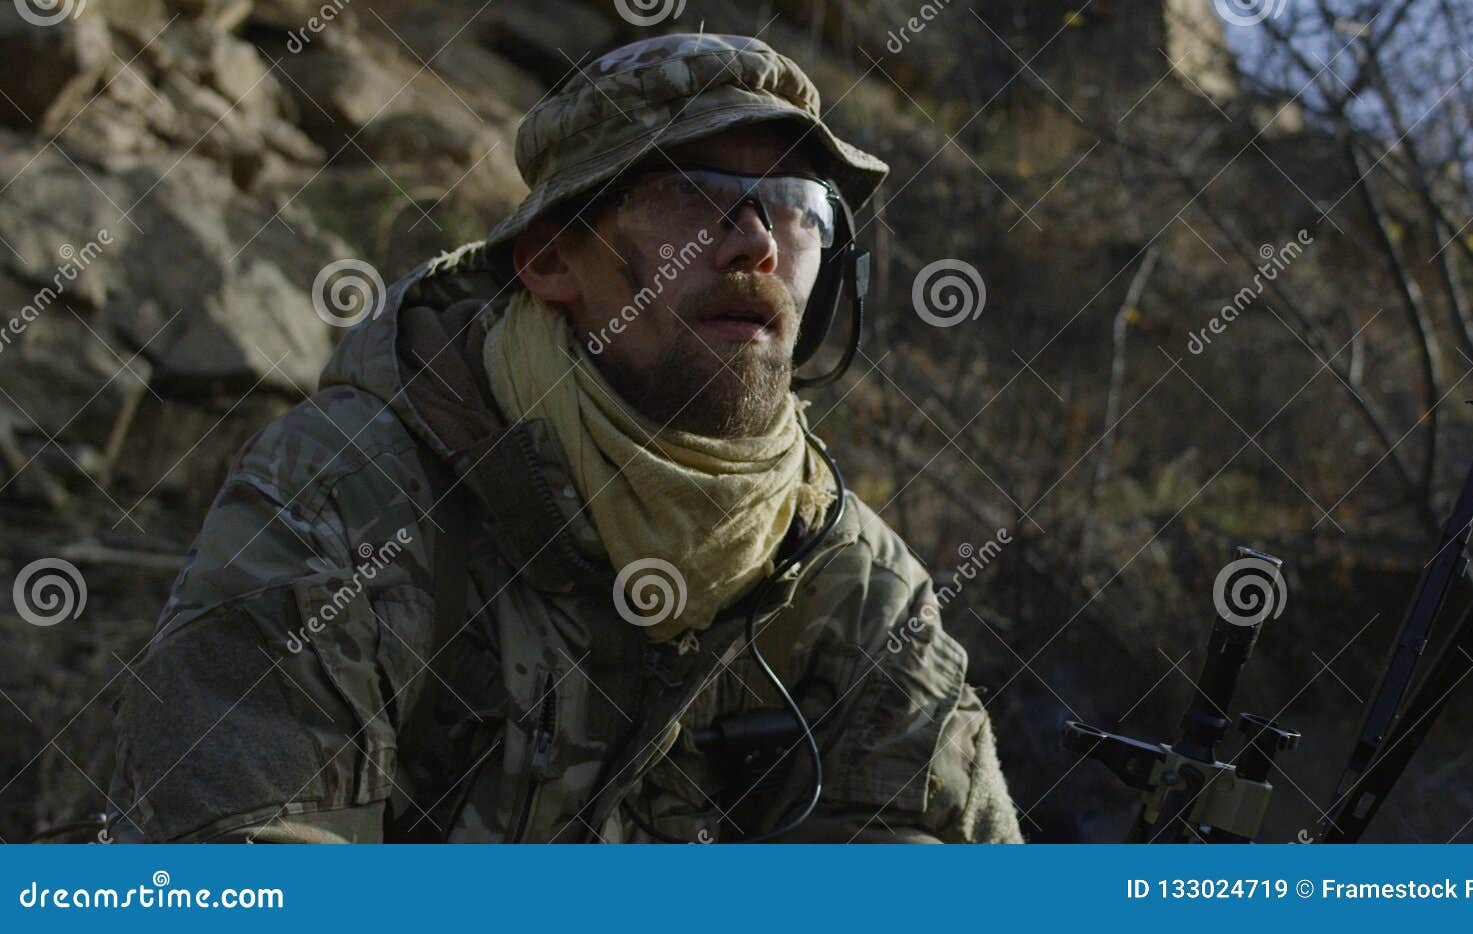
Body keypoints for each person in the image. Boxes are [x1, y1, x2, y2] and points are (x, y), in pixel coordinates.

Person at [109, 32, 1024, 844]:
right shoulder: (345, 498)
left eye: (794, 206)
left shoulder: (854, 581)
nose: (754, 246)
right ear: (551, 260)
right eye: (690, 194)